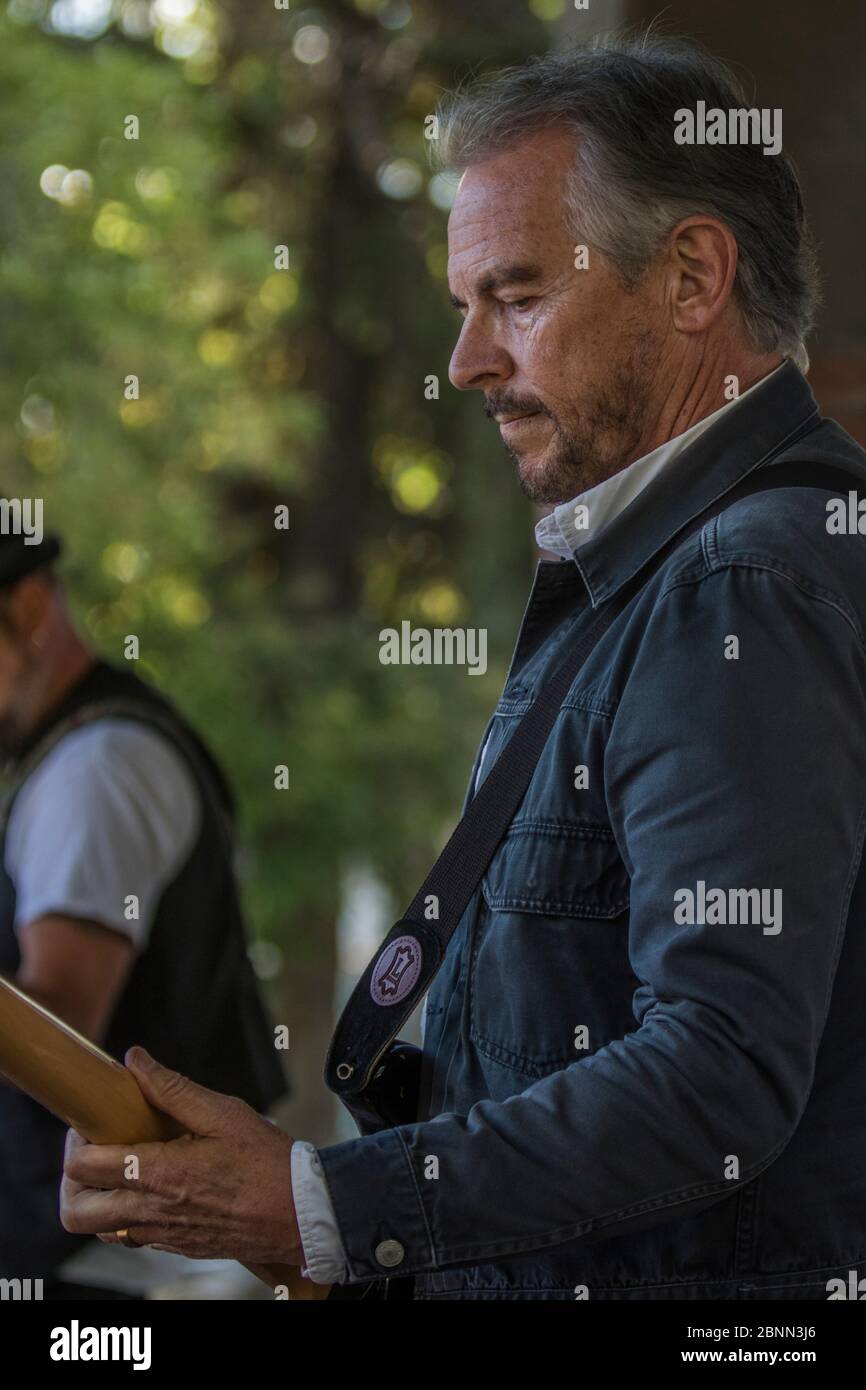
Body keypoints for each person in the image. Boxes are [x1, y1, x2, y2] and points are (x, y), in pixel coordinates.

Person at [61, 35, 866, 1300]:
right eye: (461, 308)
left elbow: (717, 1068)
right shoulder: (704, 564)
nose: (467, 363)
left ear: (692, 275)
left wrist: (321, 1205)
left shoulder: (734, 584)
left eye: (519, 295)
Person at [0, 530, 286, 1298]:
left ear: (27, 607)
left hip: (114, 1277)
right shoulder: (83, 753)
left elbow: (55, 1022)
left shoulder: (97, 770)